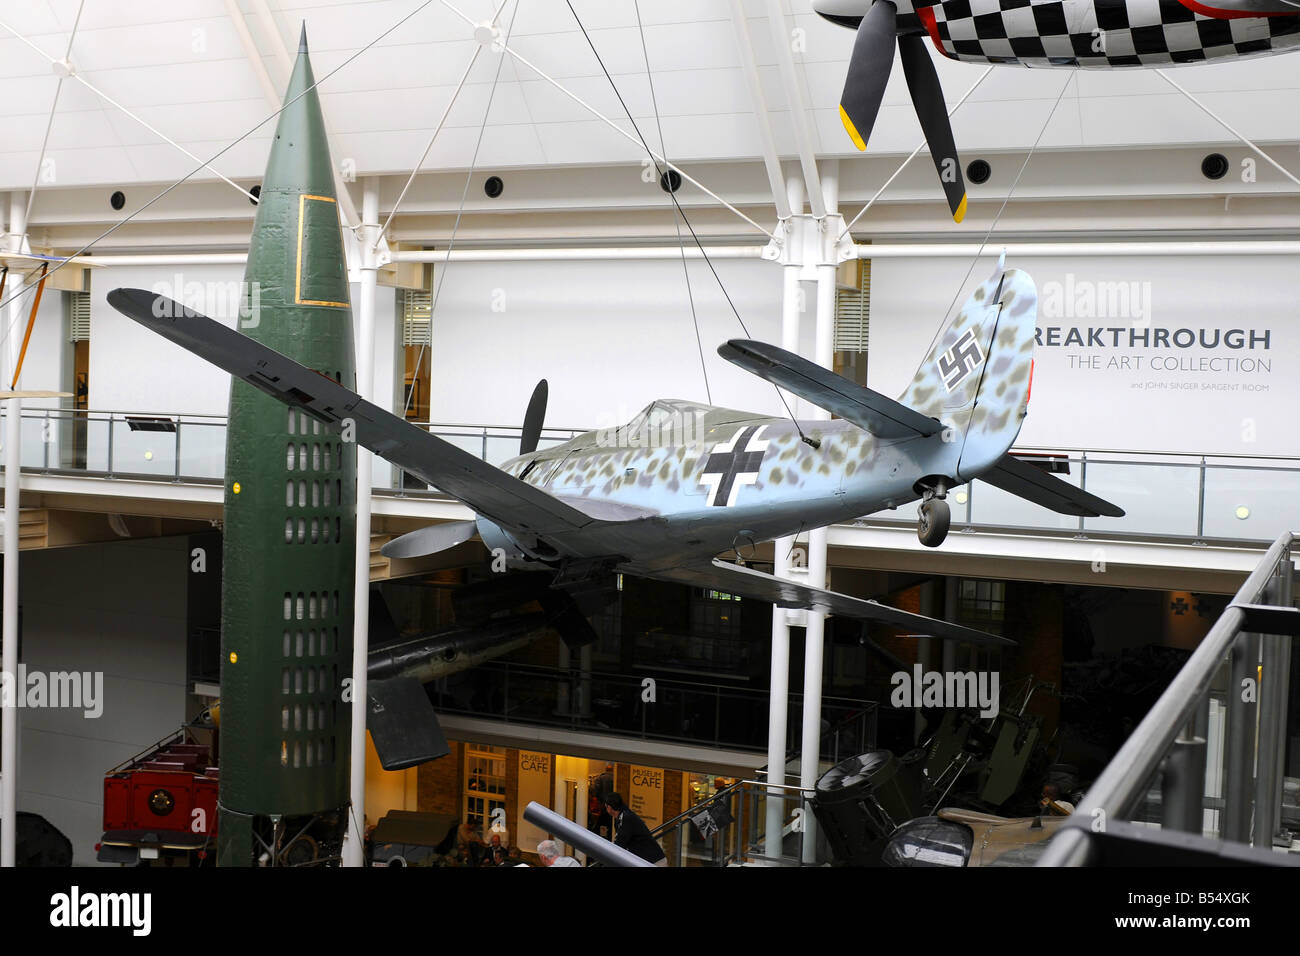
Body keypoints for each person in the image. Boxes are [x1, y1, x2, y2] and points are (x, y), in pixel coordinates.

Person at [605, 792, 666, 866]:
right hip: (648, 860)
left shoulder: (626, 817)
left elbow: (620, 842)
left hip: (653, 861)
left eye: (606, 806)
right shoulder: (622, 816)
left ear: (609, 807)